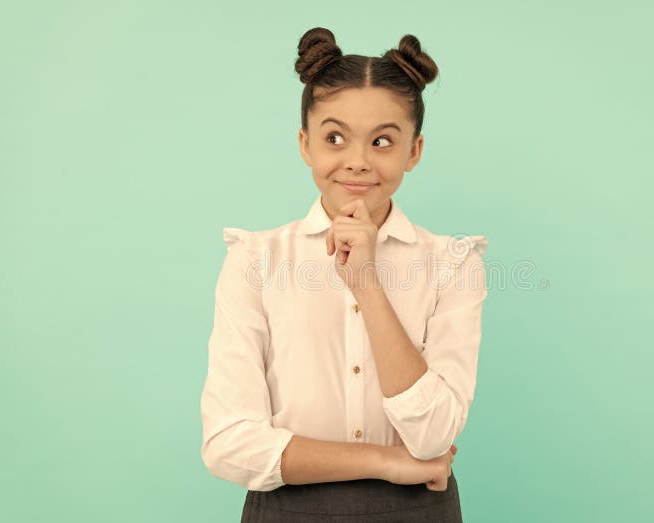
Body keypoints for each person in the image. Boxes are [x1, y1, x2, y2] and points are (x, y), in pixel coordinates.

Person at [200, 26, 489, 522]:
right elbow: (229, 444)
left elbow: (433, 434)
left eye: (382, 141)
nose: (357, 162)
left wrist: (367, 285)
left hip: (418, 510)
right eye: (334, 138)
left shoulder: (453, 264)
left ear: (413, 151)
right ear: (305, 144)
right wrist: (386, 462)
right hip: (288, 510)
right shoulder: (255, 260)